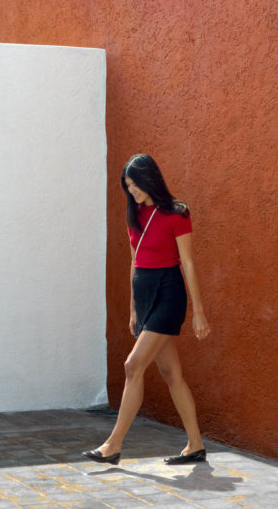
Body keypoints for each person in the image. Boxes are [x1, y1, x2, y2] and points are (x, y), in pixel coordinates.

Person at [83, 153, 211, 465]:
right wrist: (132, 309)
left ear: (148, 178)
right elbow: (134, 261)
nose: (132, 191)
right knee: (171, 373)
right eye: (127, 186)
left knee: (132, 365)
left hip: (168, 293)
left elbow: (189, 263)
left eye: (134, 184)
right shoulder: (135, 215)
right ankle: (195, 444)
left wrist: (198, 311)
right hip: (144, 295)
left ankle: (113, 445)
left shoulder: (177, 213)